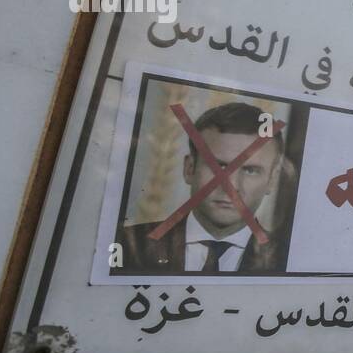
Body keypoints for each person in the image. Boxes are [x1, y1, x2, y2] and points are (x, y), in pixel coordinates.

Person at [119, 101, 286, 273]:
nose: (231, 186)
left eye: (251, 170)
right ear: (190, 169)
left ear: (272, 180)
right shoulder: (125, 244)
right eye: (218, 167)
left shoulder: (289, 258)